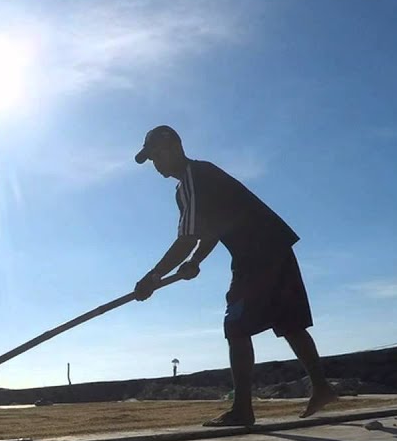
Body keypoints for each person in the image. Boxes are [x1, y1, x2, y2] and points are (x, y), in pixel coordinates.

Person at [132, 125, 338, 424]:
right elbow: (212, 229)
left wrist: (152, 277)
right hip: (274, 245)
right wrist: (195, 261)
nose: (156, 164)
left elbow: (188, 238)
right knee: (288, 322)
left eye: (157, 155)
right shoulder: (195, 180)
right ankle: (321, 387)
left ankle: (242, 409)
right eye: (151, 160)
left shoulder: (193, 177)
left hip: (256, 253)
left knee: (236, 326)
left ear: (175, 147)